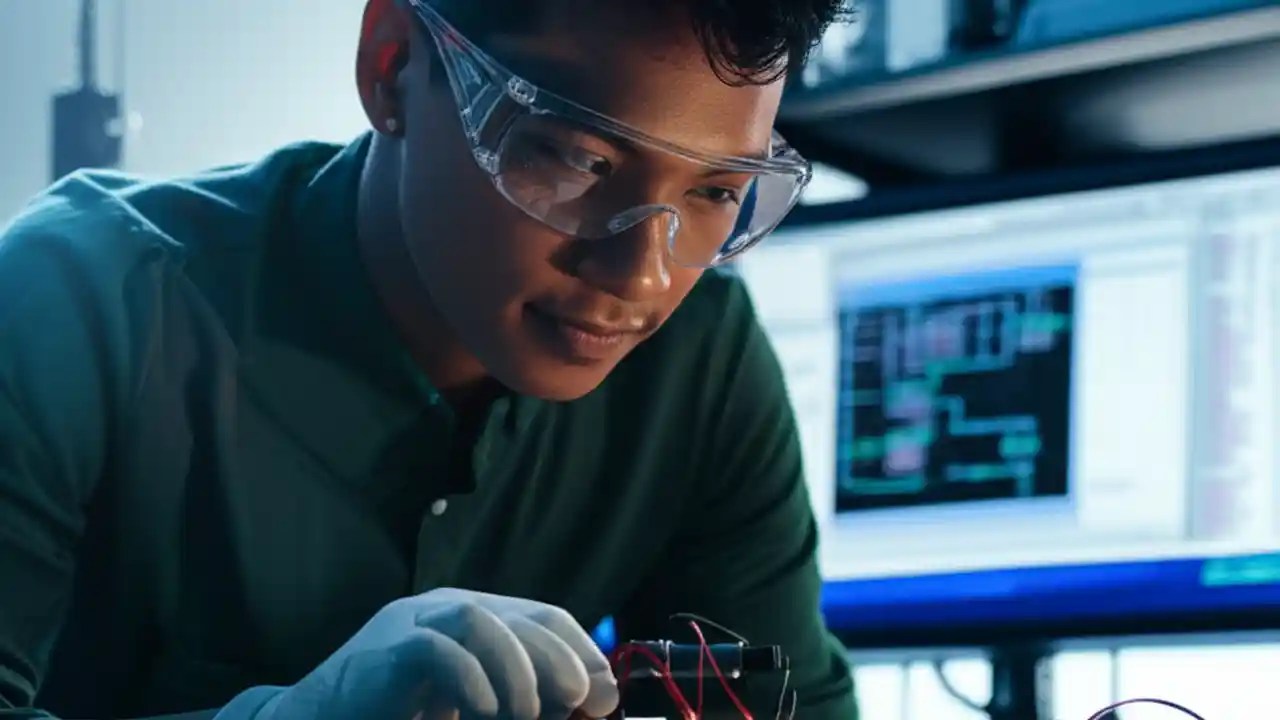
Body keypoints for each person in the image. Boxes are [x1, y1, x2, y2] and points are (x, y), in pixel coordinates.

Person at [0, 0, 856, 718]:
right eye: (579, 158)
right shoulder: (78, 298)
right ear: (393, 65)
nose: (644, 276)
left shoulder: (700, 355)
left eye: (715, 193)